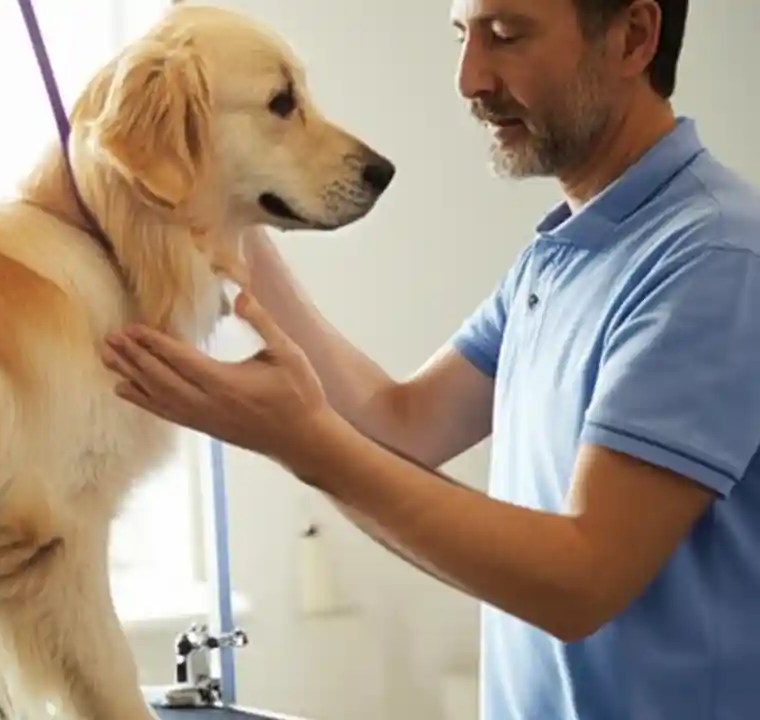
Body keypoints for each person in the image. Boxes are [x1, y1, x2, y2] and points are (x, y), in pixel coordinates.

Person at [101, 0, 760, 718]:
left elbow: (580, 582)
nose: (469, 79)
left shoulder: (714, 258)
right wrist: (222, 211)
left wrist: (300, 443)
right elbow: (401, 424)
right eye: (462, 36)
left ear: (633, 37)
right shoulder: (563, 255)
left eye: (505, 35)